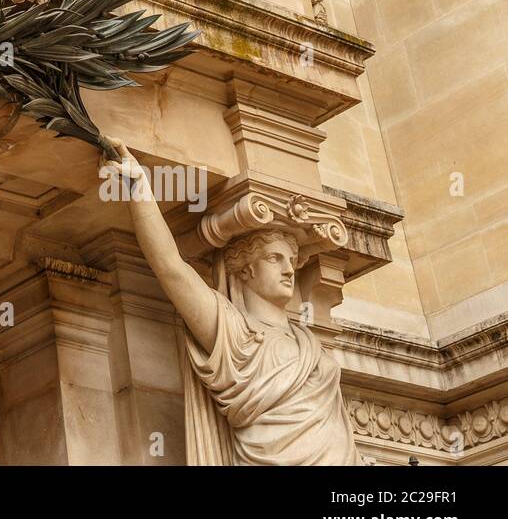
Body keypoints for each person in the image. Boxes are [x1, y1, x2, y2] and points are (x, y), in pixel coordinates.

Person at [103, 139, 364, 465]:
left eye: (292, 259)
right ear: (246, 268)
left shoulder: (307, 342)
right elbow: (171, 269)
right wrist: (140, 191)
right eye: (275, 257)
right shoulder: (231, 331)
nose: (288, 269)